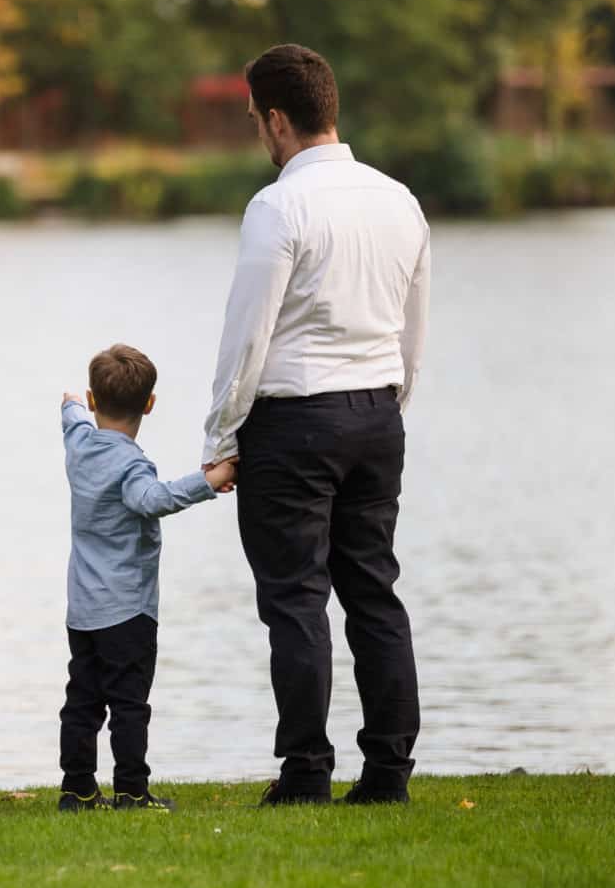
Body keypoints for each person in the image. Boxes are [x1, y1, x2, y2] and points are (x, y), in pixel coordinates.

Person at [203, 44, 431, 807]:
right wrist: (388, 407)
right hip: (377, 413)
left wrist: (221, 437)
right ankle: (389, 771)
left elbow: (248, 335)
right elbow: (413, 330)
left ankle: (306, 772)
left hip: (294, 419)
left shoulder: (278, 207)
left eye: (253, 120)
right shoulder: (399, 200)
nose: (257, 134)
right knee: (374, 592)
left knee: (296, 598)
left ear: (277, 119)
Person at [58, 345, 238, 812]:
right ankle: (132, 791)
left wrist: (71, 403)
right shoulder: (132, 465)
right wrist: (209, 480)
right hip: (127, 610)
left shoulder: (79, 444)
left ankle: (77, 790)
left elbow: (72, 418)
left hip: (83, 609)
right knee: (129, 705)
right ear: (150, 404)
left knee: (82, 701)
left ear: (94, 400)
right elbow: (151, 499)